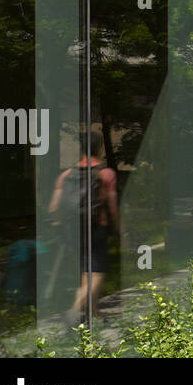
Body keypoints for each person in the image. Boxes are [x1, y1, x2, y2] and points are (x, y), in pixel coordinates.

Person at [48, 130, 119, 327]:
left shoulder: (65, 176)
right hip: (96, 228)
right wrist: (119, 230)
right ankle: (73, 312)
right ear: (101, 148)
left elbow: (53, 208)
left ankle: (94, 313)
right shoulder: (106, 174)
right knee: (96, 274)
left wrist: (62, 225)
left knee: (86, 272)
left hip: (72, 231)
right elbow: (112, 207)